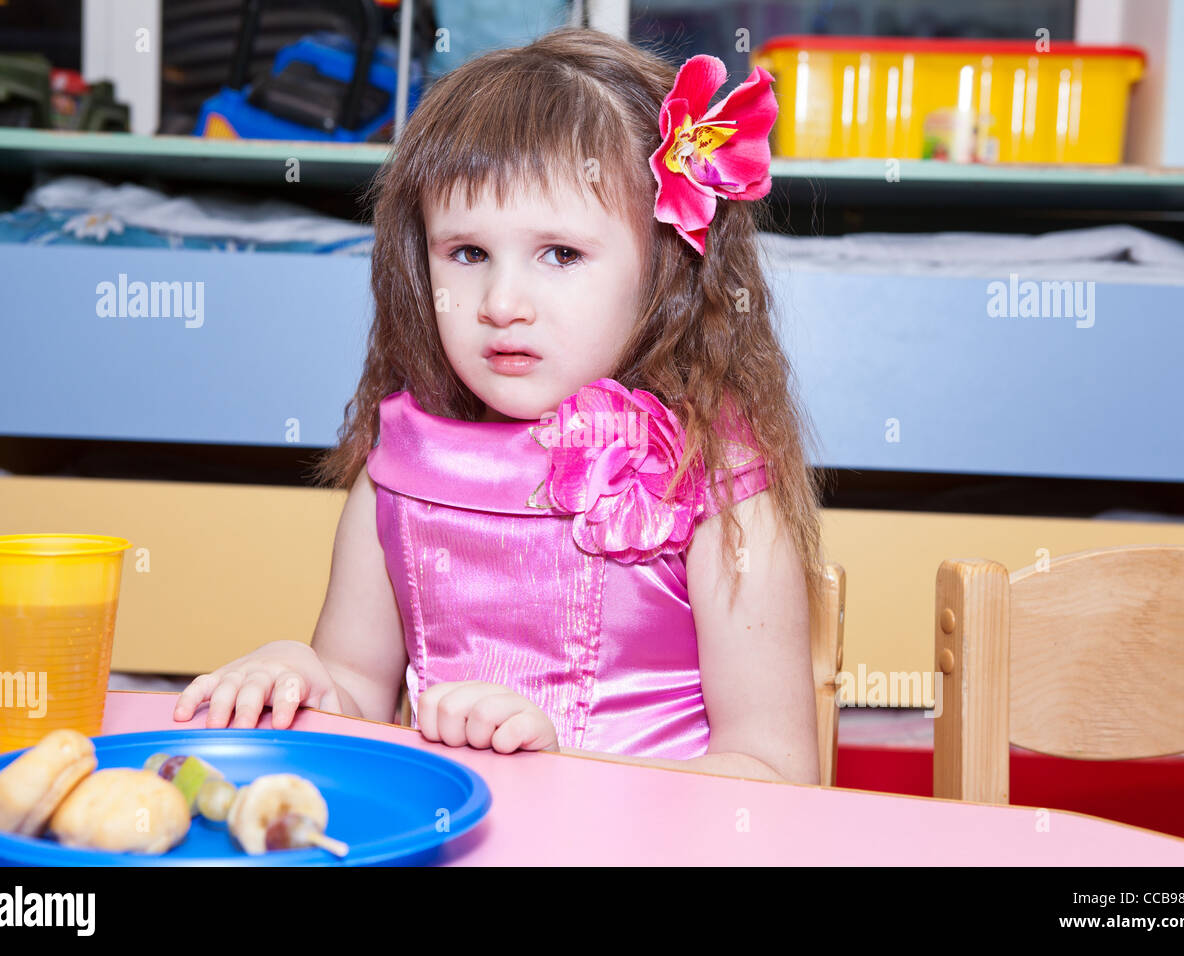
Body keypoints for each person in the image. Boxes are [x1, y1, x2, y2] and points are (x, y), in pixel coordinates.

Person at [174, 26, 827, 785]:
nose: (502, 303)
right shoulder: (402, 467)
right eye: (469, 254)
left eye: (560, 254)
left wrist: (567, 769)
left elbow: (775, 773)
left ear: (667, 267)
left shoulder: (717, 482)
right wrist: (308, 683)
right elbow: (355, 693)